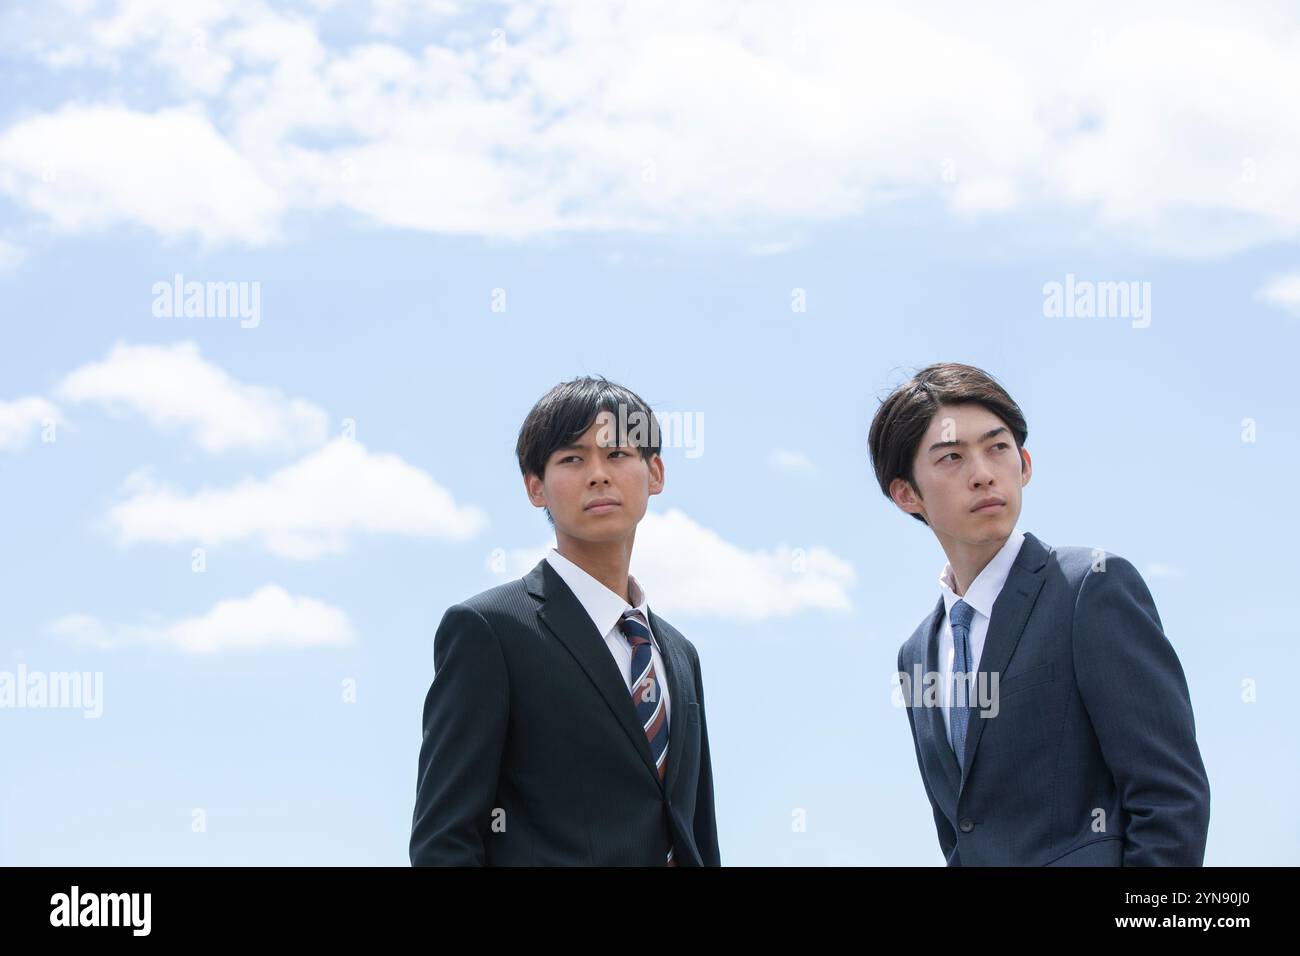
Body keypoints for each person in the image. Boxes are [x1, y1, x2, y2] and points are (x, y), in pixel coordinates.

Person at [869, 362, 1210, 865]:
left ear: (1024, 464)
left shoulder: (1089, 588)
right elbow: (961, 835)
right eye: (951, 457)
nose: (983, 473)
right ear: (906, 494)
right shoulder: (917, 654)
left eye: (997, 448)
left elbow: (1170, 798)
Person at [410, 375, 720, 866]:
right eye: (572, 459)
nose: (597, 474)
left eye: (617, 454)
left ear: (655, 473)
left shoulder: (679, 654)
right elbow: (444, 840)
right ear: (536, 487)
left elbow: (698, 835)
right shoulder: (490, 631)